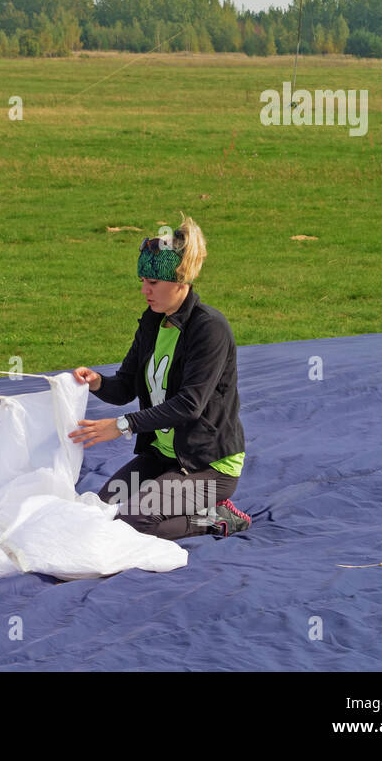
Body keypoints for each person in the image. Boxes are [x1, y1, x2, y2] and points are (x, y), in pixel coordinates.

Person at [69, 216, 251, 539]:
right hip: (165, 457)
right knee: (101, 508)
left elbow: (189, 405)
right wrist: (96, 381)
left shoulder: (209, 329)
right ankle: (180, 500)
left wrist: (122, 425)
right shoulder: (152, 322)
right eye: (143, 281)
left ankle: (214, 518)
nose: (144, 290)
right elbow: (125, 385)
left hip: (210, 467)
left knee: (131, 523)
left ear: (180, 280)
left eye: (153, 282)